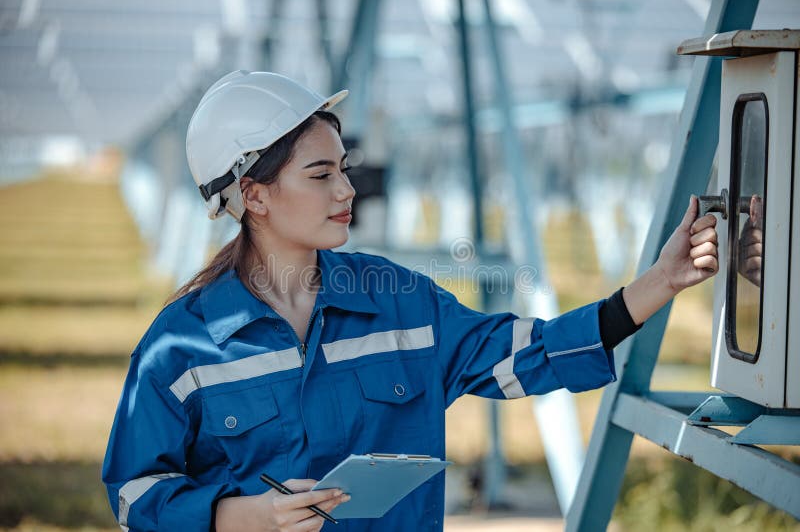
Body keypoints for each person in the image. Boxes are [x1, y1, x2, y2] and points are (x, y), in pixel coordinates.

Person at [102, 70, 719, 532]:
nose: (346, 189)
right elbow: (134, 495)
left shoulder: (398, 304)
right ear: (254, 195)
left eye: (344, 168)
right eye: (320, 175)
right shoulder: (180, 346)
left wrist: (657, 283)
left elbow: (523, 354)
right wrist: (246, 517)